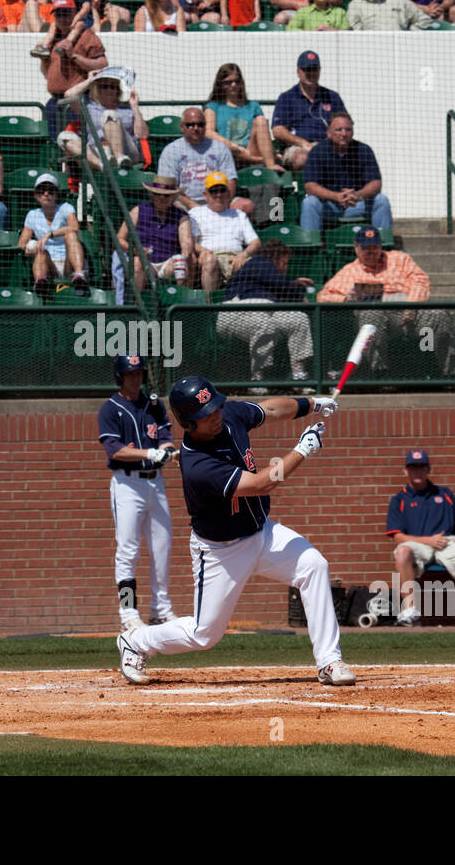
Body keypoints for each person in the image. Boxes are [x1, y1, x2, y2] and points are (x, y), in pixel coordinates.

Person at [115, 376, 354, 686]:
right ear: (188, 423)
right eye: (206, 414)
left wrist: (312, 404)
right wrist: (302, 451)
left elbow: (269, 409)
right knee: (205, 635)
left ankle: (329, 661)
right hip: (221, 551)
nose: (215, 415)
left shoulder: (227, 415)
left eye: (215, 407)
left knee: (313, 566)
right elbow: (261, 483)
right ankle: (137, 641)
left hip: (263, 533)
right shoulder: (198, 464)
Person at [99, 354, 178, 631]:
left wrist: (167, 450)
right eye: (131, 374)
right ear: (120, 377)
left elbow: (166, 437)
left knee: (162, 547)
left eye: (139, 373)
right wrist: (150, 452)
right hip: (127, 483)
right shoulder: (110, 408)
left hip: (155, 481)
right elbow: (115, 449)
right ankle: (128, 613)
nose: (136, 378)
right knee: (128, 551)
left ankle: (161, 609)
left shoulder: (154, 405)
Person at [318, 225, 455, 375]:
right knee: (371, 316)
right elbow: (323, 296)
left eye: (375, 247)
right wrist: (344, 298)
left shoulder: (399, 258)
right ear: (356, 248)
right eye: (366, 248)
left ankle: (448, 372)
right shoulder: (349, 271)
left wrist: (412, 306)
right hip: (379, 317)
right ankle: (380, 374)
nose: (371, 252)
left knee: (438, 316)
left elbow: (420, 280)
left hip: (409, 309)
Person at [388, 449, 455, 628]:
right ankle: (409, 611)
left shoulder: (443, 494)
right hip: (418, 545)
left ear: (428, 469)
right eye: (413, 467)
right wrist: (428, 541)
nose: (418, 471)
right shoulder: (399, 499)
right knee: (402, 552)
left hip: (447, 543)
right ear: (406, 471)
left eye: (422, 467)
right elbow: (398, 537)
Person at [216, 239, 315, 390]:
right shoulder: (259, 262)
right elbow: (282, 286)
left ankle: (299, 374)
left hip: (263, 310)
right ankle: (257, 378)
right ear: (274, 258)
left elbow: (275, 286)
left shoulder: (264, 274)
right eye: (284, 262)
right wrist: (300, 296)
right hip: (235, 312)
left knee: (299, 319)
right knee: (264, 324)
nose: (285, 267)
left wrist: (292, 284)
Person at [301, 112, 392, 233]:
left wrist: (358, 195)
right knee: (309, 202)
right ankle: (310, 246)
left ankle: (383, 245)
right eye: (339, 130)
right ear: (329, 133)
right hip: (329, 205)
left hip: (356, 204)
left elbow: (375, 183)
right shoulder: (317, 152)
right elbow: (310, 186)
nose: (344, 134)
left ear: (352, 132)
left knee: (381, 200)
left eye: (348, 129)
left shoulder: (364, 150)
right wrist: (336, 196)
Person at [157, 108, 254, 217]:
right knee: (171, 207)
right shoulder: (171, 150)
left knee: (246, 205)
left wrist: (223, 205)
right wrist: (192, 204)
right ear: (182, 127)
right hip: (185, 202)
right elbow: (168, 187)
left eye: (200, 124)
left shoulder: (220, 148)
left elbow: (230, 181)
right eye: (190, 125)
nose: (196, 128)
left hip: (218, 198)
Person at [36, 0, 108, 142]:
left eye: (66, 13)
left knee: (78, 143)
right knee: (55, 143)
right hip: (55, 102)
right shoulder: (52, 38)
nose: (62, 18)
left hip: (79, 102)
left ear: (74, 14)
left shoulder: (87, 35)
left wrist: (74, 56)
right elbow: (47, 74)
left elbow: (103, 65)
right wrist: (43, 60)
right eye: (58, 14)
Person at [59, 68, 148, 171]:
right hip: (98, 151)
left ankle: (120, 159)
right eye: (104, 86)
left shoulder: (127, 108)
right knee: (64, 137)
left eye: (112, 86)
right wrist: (90, 81)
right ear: (98, 89)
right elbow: (68, 95)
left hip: (127, 152)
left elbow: (142, 134)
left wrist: (135, 107)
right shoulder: (89, 107)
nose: (109, 90)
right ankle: (102, 165)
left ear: (118, 89)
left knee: (109, 115)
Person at [271, 50, 347, 172]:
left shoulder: (332, 97)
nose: (311, 73)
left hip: (328, 146)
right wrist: (303, 143)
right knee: (303, 158)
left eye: (314, 69)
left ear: (320, 70)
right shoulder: (287, 97)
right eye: (307, 69)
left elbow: (345, 124)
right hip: (297, 147)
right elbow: (277, 130)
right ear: (298, 72)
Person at [19, 172, 90, 298]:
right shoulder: (32, 214)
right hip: (49, 264)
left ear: (56, 195)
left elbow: (74, 227)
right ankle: (41, 283)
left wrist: (49, 234)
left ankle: (79, 275)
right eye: (41, 191)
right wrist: (27, 249)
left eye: (50, 191)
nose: (46, 194)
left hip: (69, 261)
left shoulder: (65, 207)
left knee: (71, 235)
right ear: (36, 195)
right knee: (41, 252)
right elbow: (22, 242)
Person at [189, 171, 261, 294]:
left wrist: (243, 255)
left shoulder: (239, 214)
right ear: (205, 195)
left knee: (261, 264)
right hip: (212, 257)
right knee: (210, 261)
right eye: (213, 191)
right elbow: (192, 243)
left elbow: (256, 242)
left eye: (222, 190)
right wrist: (203, 251)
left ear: (228, 193)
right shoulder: (196, 213)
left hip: (236, 258)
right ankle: (210, 306)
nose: (218, 195)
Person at [203, 64, 281, 174]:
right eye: (228, 82)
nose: (233, 85)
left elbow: (262, 133)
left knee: (261, 121)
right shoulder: (213, 107)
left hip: (250, 150)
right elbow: (208, 132)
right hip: (228, 152)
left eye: (236, 81)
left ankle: (270, 166)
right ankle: (264, 159)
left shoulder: (253, 106)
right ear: (220, 84)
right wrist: (233, 146)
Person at [119, 175, 192, 289]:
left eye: (166, 195)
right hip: (145, 261)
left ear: (173, 197)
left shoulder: (181, 216)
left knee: (181, 262)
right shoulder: (138, 210)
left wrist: (183, 256)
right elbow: (119, 239)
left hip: (168, 262)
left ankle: (181, 299)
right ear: (151, 195)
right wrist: (135, 250)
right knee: (137, 262)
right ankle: (138, 303)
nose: (161, 198)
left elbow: (186, 245)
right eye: (158, 194)